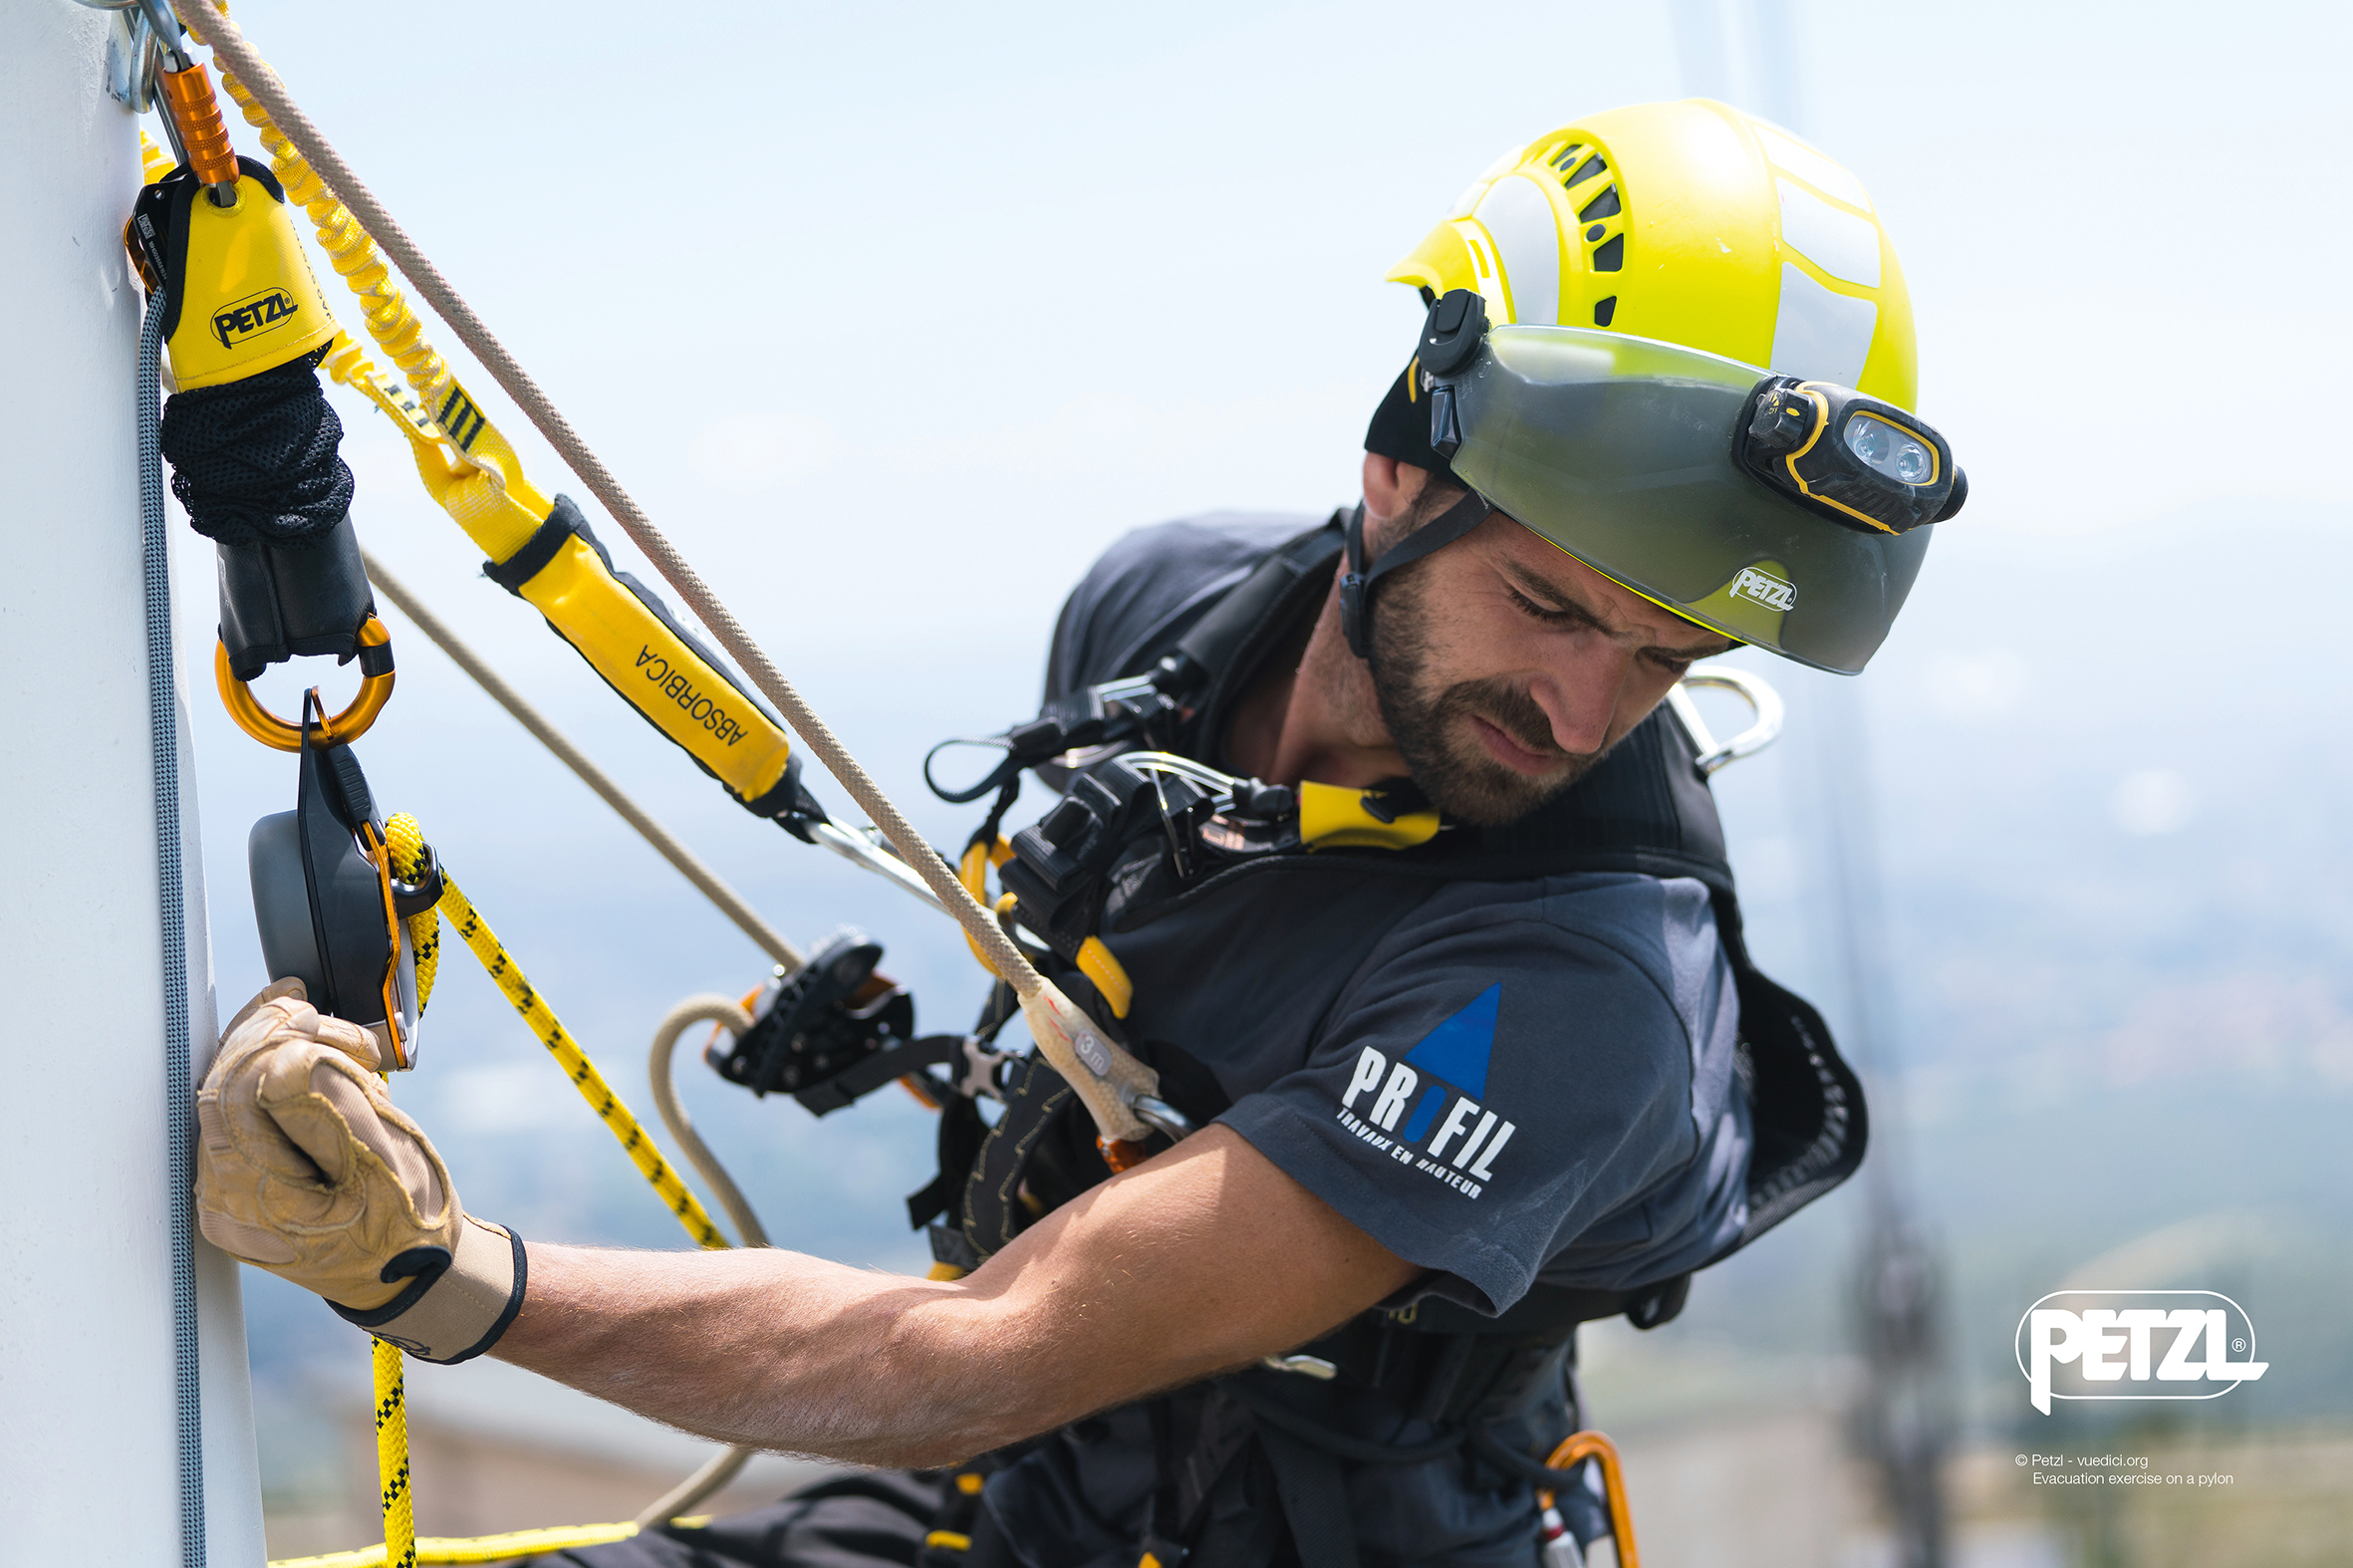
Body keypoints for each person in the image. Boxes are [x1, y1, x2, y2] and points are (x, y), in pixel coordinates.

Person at [194, 100, 1961, 1567]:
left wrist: (438, 1276)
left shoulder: (1580, 993)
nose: (1585, 713)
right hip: (1042, 1503)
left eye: (1667, 659)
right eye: (1552, 608)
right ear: (1402, 465)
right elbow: (1145, 1062)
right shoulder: (1162, 609)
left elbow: (991, 1345)